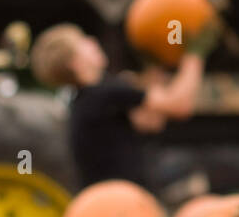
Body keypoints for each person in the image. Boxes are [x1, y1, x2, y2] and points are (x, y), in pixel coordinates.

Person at [30, 22, 207, 192]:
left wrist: (155, 66)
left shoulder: (85, 100)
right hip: (123, 200)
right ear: (75, 63)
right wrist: (194, 54)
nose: (92, 41)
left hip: (104, 200)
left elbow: (152, 121)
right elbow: (181, 106)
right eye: (83, 42)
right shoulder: (106, 92)